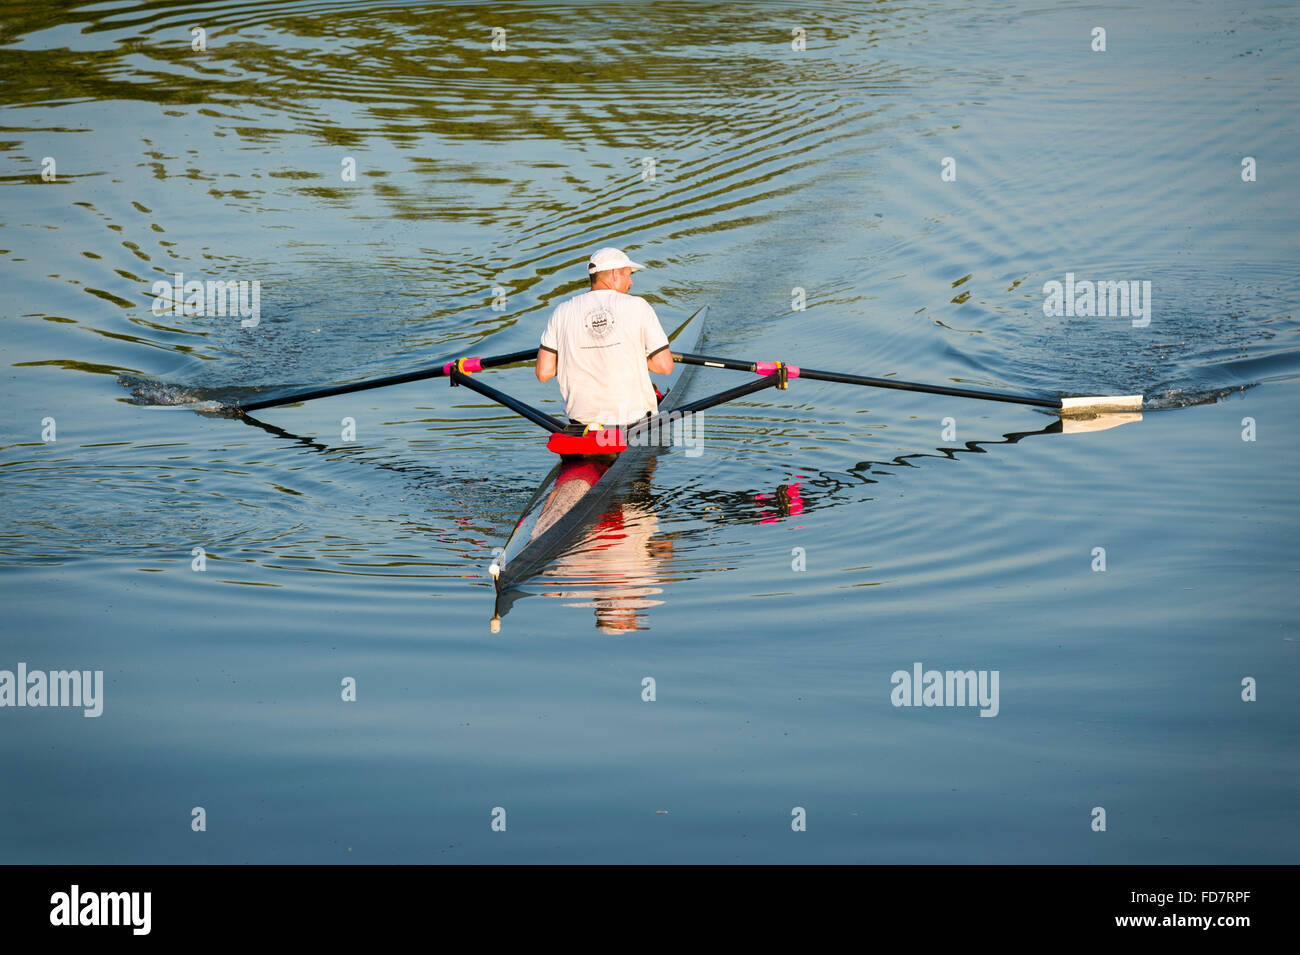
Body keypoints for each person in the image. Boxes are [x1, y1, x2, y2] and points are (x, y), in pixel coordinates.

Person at [535, 247, 673, 431]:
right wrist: (635, 357)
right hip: (632, 424)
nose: (631, 282)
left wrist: (580, 356)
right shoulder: (638, 306)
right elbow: (665, 366)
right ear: (615, 274)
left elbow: (543, 373)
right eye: (628, 274)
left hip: (580, 427)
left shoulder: (561, 311)